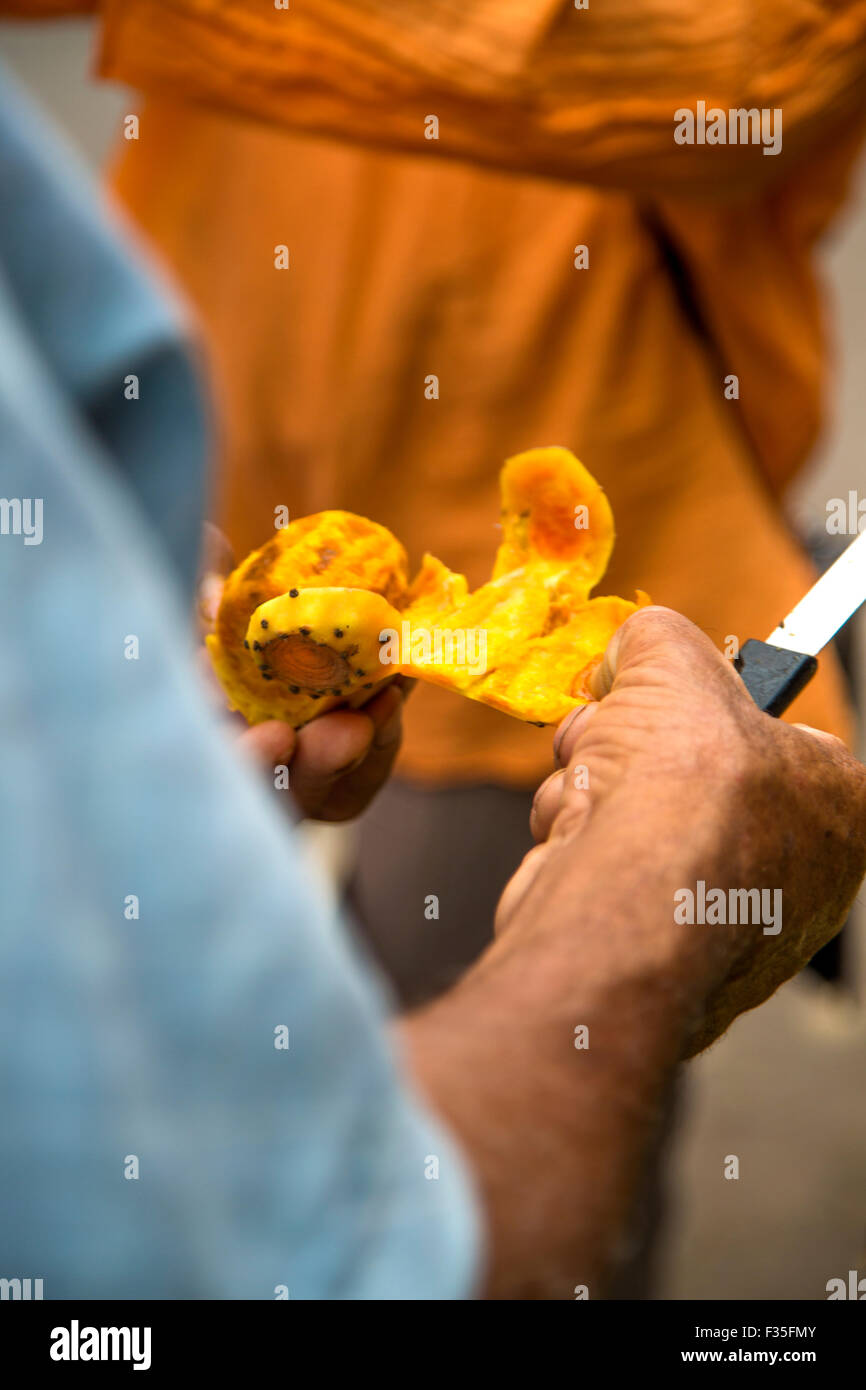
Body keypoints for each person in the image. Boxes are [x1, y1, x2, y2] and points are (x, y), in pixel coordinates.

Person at [2, 58, 866, 1301]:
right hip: (229, 447)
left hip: (577, 529)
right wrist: (649, 910)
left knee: (461, 1008)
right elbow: (356, 1246)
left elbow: (755, 71)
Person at [82, 0, 866, 1003]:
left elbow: (755, 67)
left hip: (577, 545)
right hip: (206, 445)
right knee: (163, 1003)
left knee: (499, 1027)